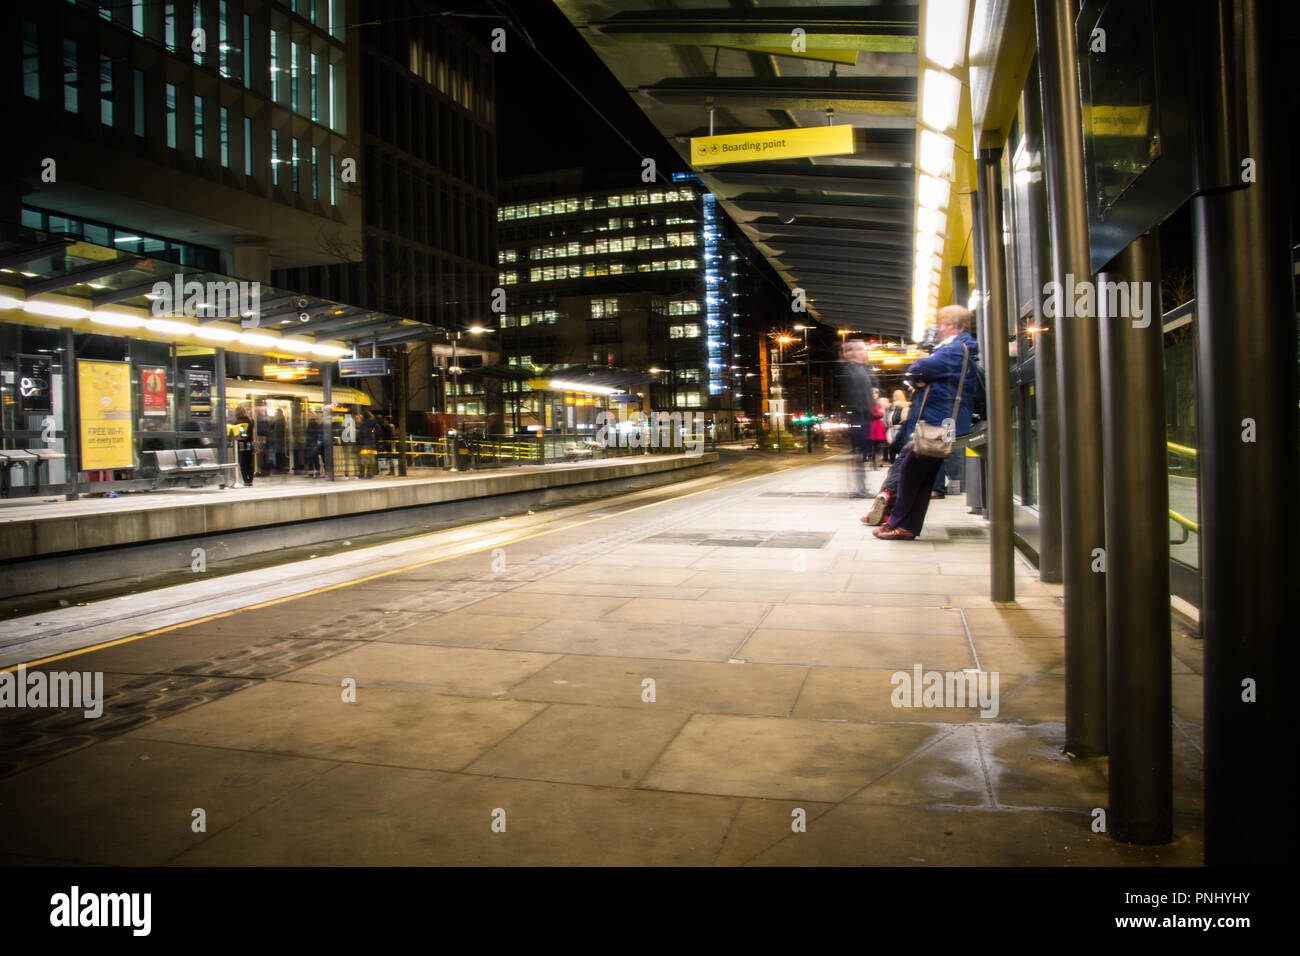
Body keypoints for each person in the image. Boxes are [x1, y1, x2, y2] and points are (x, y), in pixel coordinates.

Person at [872, 305, 979, 540]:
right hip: (943, 420)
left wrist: (920, 371)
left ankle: (901, 524)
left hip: (940, 422)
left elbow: (919, 370)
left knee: (911, 470)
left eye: (944, 323)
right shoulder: (959, 348)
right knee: (922, 473)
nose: (940, 328)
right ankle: (904, 524)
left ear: (957, 326)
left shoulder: (954, 349)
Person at [838, 338, 878, 497]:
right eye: (862, 349)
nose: (865, 352)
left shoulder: (861, 369)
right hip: (859, 417)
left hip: (863, 417)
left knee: (861, 453)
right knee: (860, 452)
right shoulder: (851, 370)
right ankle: (859, 489)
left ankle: (861, 488)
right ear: (853, 352)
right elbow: (856, 396)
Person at [232, 406, 255, 486]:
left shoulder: (237, 422)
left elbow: (239, 434)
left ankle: (246, 480)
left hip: (241, 445)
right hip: (250, 444)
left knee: (243, 463)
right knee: (250, 462)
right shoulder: (251, 420)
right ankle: (251, 479)